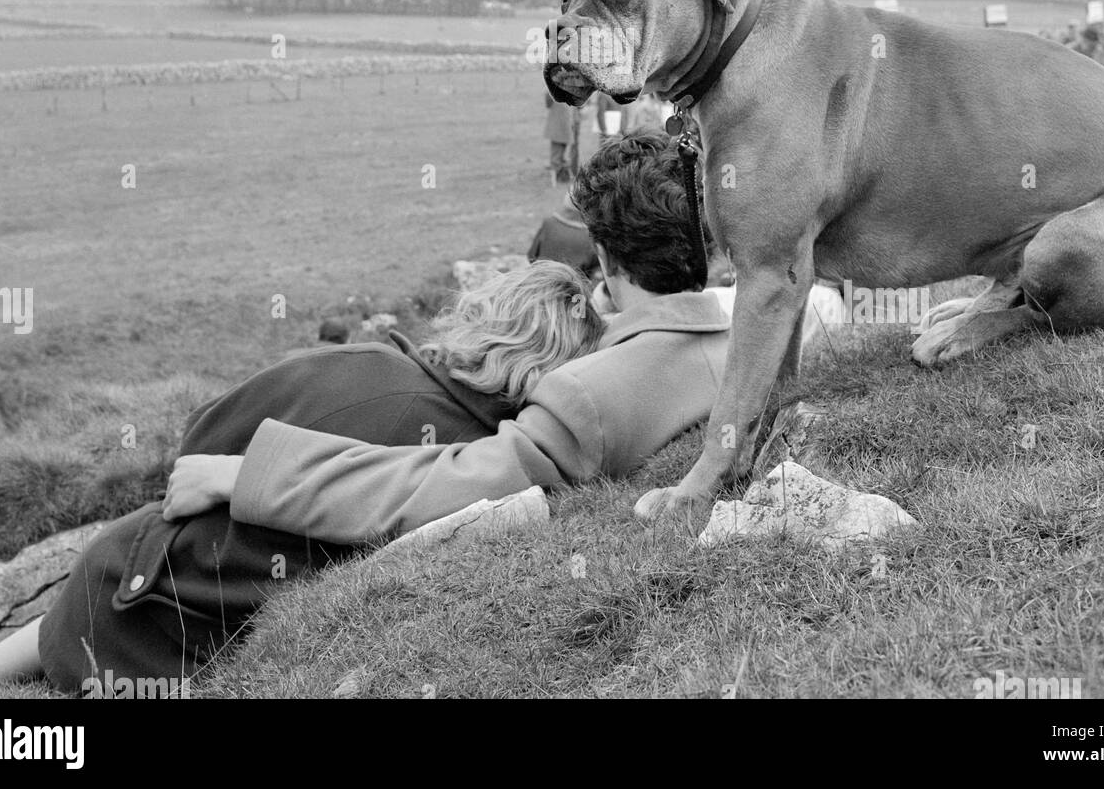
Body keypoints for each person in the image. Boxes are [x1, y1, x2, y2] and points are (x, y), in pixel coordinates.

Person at [0, 262, 603, 699]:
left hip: (147, 585)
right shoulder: (473, 457)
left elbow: (201, 439)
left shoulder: (364, 364)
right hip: (164, 615)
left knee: (96, 595)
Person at [152, 132, 733, 554]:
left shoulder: (588, 394)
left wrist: (242, 476)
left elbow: (437, 488)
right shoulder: (752, 343)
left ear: (603, 257)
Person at [527, 188, 600, 280]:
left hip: (541, 283)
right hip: (573, 289)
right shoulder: (592, 237)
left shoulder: (549, 223)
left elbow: (531, 256)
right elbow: (593, 272)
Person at [543, 90, 575, 183]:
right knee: (559, 155)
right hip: (564, 125)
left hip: (560, 125)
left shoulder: (552, 90)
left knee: (558, 156)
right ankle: (558, 178)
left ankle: (558, 178)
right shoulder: (571, 88)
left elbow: (548, 104)